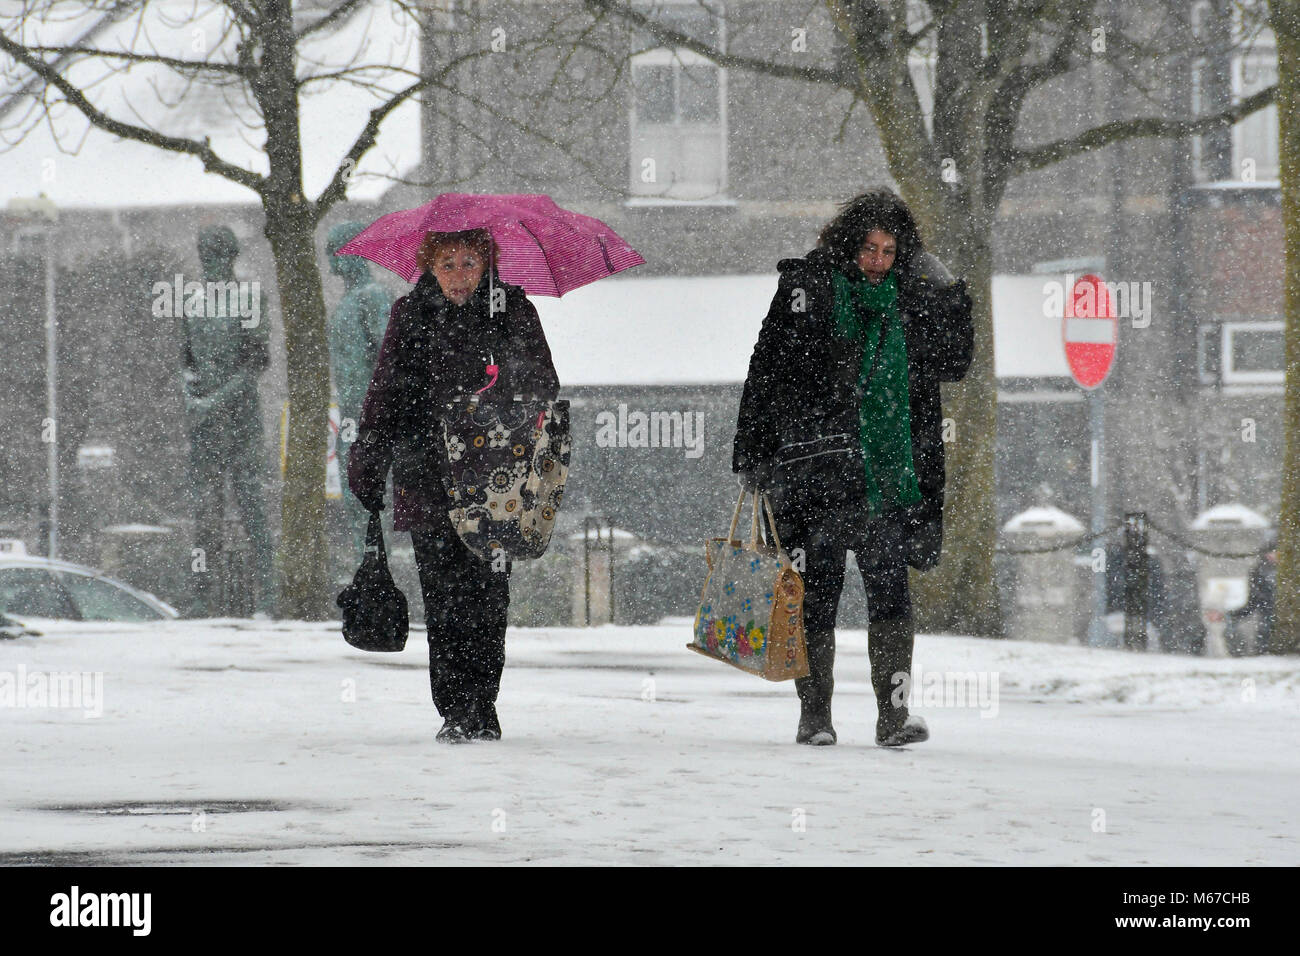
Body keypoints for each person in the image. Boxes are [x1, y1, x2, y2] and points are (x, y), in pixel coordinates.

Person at [733, 188, 974, 747]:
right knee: (816, 593)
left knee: (891, 595)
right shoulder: (806, 291)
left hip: (887, 479)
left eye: (890, 251)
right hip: (815, 474)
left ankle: (893, 717)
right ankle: (814, 715)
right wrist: (753, 453)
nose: (877, 261)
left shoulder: (912, 301)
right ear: (849, 244)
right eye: (869, 247)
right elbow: (765, 370)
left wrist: (948, 289)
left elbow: (955, 362)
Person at [348, 229, 559, 743]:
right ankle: (455, 707)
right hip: (428, 475)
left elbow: (544, 387)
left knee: (488, 593)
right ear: (429, 266)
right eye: (447, 265)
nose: (459, 276)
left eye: (469, 262)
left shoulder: (513, 312)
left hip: (496, 480)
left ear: (487, 262)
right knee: (443, 595)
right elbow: (386, 391)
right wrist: (369, 454)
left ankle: (481, 702)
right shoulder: (410, 315)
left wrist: (496, 393)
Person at [182, 225, 275, 617]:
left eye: (216, 255)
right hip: (203, 421)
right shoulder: (192, 300)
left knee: (251, 499)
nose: (210, 263)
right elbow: (185, 360)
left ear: (231, 256)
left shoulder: (250, 297)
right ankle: (202, 596)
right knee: (204, 509)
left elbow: (257, 361)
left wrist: (215, 398)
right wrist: (189, 393)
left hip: (240, 416)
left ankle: (269, 592)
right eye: (205, 255)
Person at [325, 221, 393, 562]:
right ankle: (366, 567)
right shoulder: (349, 301)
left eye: (336, 253)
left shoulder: (372, 297)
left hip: (369, 415)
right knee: (356, 497)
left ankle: (375, 569)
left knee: (368, 498)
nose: (331, 262)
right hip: (352, 413)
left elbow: (386, 354)